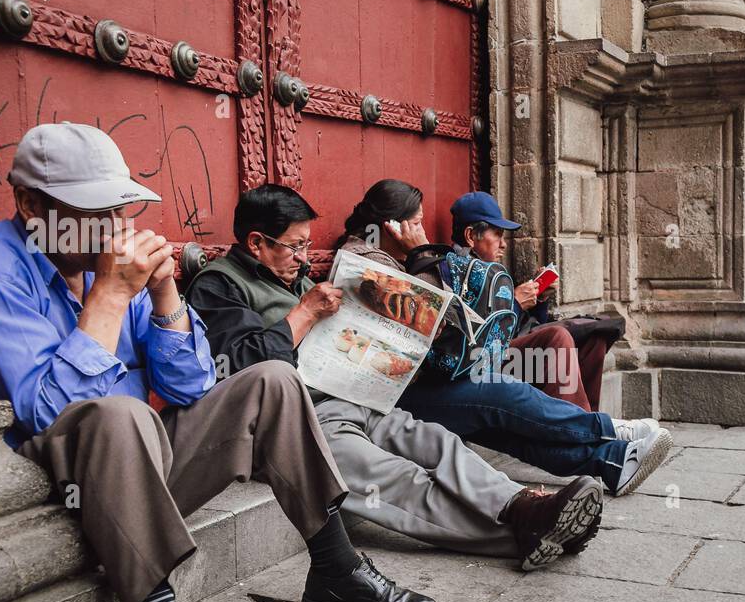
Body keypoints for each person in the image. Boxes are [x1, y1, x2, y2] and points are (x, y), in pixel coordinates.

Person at [0, 123, 437, 602]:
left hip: (145, 465)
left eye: (117, 211)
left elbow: (190, 385)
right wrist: (105, 297)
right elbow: (45, 413)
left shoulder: (121, 268)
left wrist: (162, 295)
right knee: (118, 415)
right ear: (31, 206)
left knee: (271, 380)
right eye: (87, 212)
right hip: (64, 485)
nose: (109, 227)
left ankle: (334, 569)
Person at [187, 184, 604, 571]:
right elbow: (241, 366)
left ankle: (518, 502)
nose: (302, 257)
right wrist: (304, 313)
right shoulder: (219, 286)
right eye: (294, 247)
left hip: (349, 397)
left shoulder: (291, 278)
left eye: (306, 245)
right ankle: (520, 533)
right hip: (294, 425)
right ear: (257, 242)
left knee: (439, 444)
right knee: (398, 478)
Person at [333, 179, 671, 496]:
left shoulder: (388, 258)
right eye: (416, 223)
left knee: (508, 431)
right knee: (500, 391)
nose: (420, 231)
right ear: (394, 225)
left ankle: (612, 462)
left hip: (412, 384)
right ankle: (607, 430)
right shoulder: (367, 264)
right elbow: (433, 321)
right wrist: (422, 253)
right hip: (393, 397)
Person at [448, 191, 621, 413]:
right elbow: (473, 341)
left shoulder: (493, 270)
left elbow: (525, 329)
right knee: (557, 337)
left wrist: (539, 299)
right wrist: (515, 304)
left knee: (594, 337)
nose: (503, 245)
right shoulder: (453, 270)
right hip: (481, 363)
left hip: (516, 358)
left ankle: (588, 421)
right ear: (471, 236)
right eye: (497, 235)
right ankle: (577, 434)